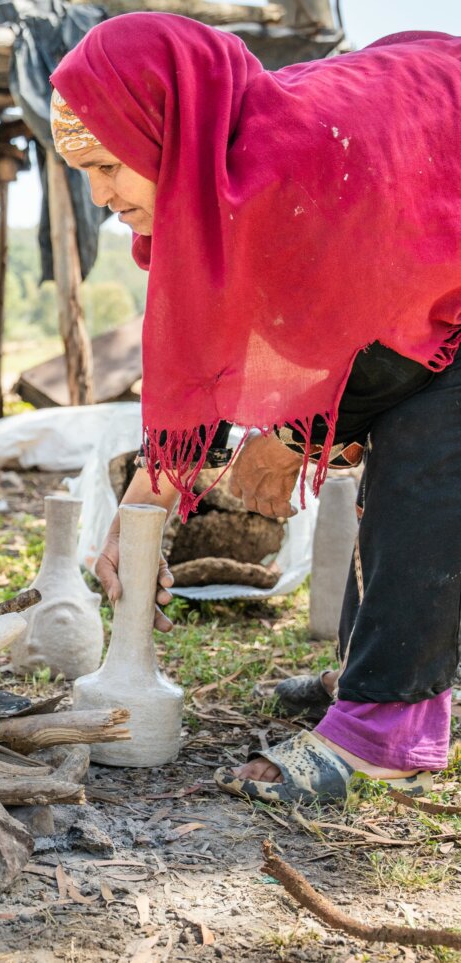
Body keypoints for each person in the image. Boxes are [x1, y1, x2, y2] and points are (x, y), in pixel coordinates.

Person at [49, 14, 461, 803]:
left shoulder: (300, 158)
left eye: (105, 166)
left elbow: (402, 326)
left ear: (163, 132)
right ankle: (378, 677)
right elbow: (208, 356)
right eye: (83, 173)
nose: (99, 197)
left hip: (440, 282)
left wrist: (292, 438)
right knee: (405, 441)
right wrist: (144, 505)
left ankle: (389, 727)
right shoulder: (218, 181)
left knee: (429, 443)